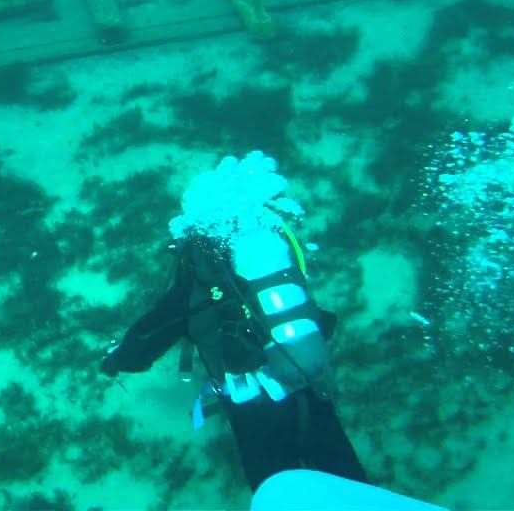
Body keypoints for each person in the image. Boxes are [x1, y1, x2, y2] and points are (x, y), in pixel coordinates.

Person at [99, 152, 366, 493]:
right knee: (355, 492)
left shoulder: (198, 278)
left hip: (257, 415)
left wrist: (115, 360)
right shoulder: (274, 255)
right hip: (312, 393)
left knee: (279, 494)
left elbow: (147, 338)